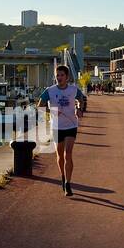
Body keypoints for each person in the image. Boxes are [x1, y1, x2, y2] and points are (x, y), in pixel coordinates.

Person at [40, 64, 87, 196]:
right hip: (56, 126)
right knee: (60, 156)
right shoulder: (50, 90)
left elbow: (81, 99)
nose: (59, 77)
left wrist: (79, 108)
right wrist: (52, 110)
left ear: (67, 77)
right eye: (57, 75)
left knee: (68, 154)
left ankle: (68, 183)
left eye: (61, 75)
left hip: (71, 125)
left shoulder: (73, 89)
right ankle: (62, 176)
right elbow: (40, 105)